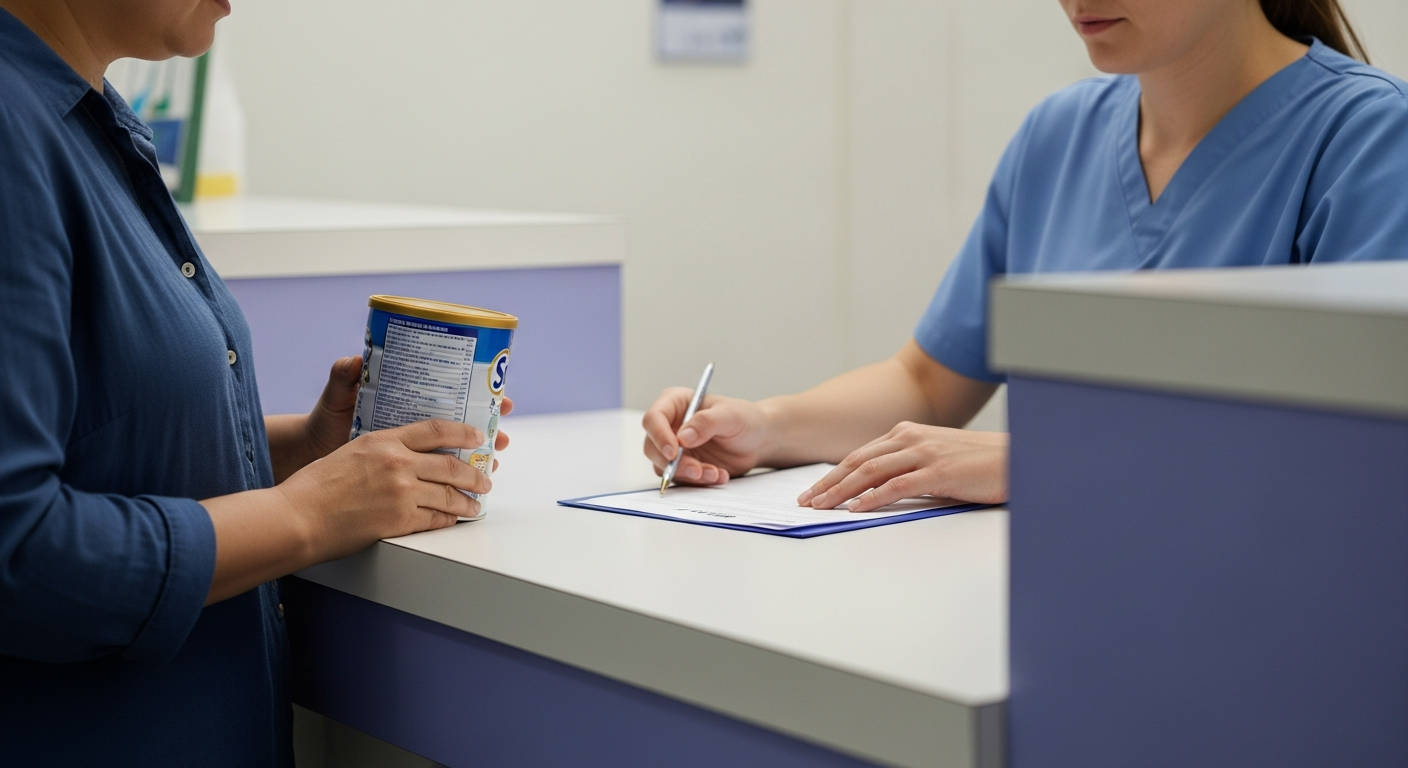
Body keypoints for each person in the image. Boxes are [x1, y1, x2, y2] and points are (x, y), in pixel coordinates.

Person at [643, 0, 1408, 511]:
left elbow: (1342, 465)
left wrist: (1037, 463)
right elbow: (929, 379)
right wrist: (765, 427)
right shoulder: (1059, 135)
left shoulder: (1367, 141)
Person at [0, 1, 506, 764]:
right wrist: (306, 515)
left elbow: (101, 443)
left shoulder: (83, 112)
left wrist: (302, 449)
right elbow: (20, 554)